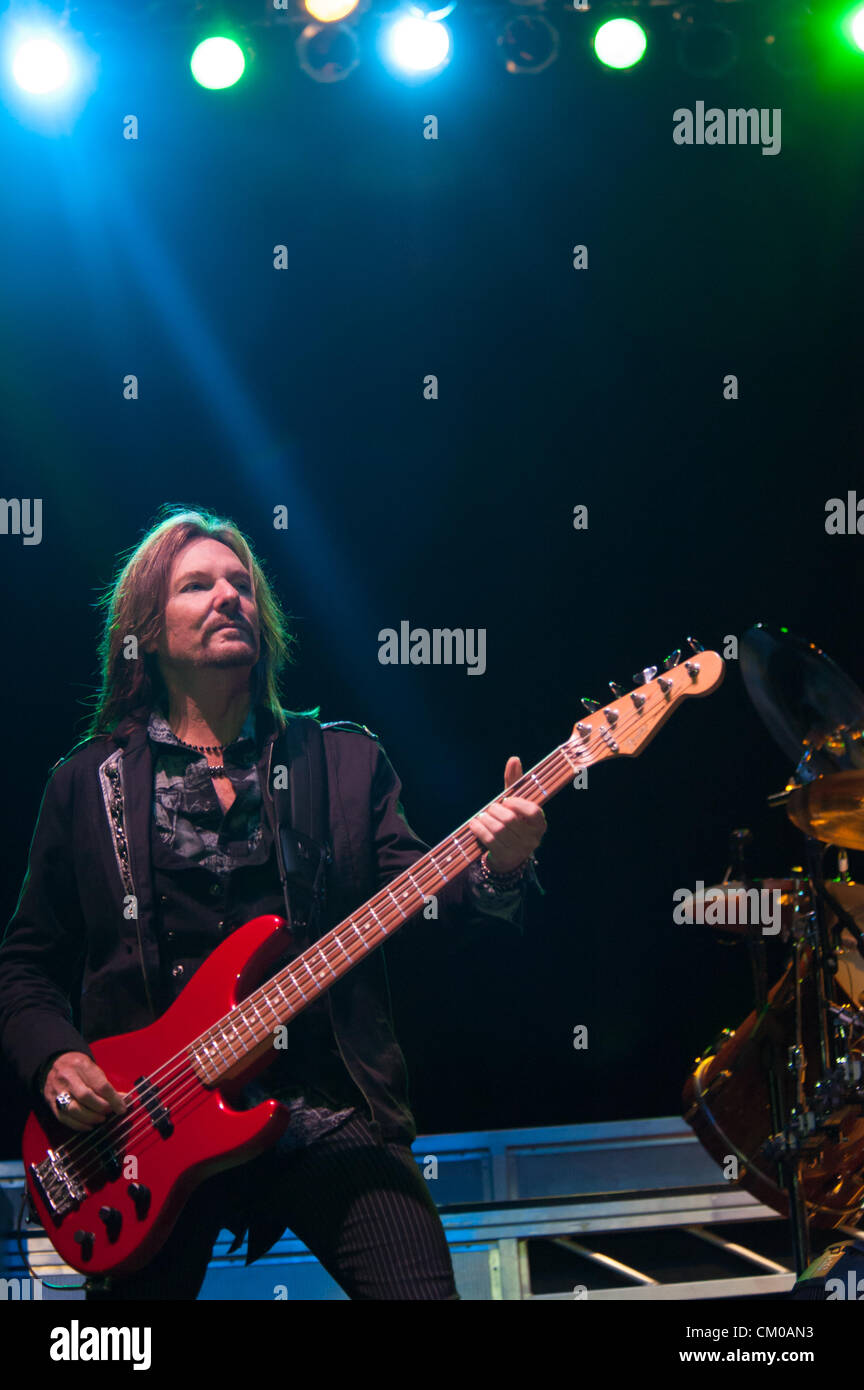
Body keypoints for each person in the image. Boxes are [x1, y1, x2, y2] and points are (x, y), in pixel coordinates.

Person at [0, 505, 547, 1301]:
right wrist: (56, 1058)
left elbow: (434, 904)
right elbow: (25, 965)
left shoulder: (345, 761)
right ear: (147, 631)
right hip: (144, 1130)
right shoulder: (87, 784)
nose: (230, 596)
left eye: (241, 583)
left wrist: (500, 866)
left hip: (324, 1111)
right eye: (198, 585)